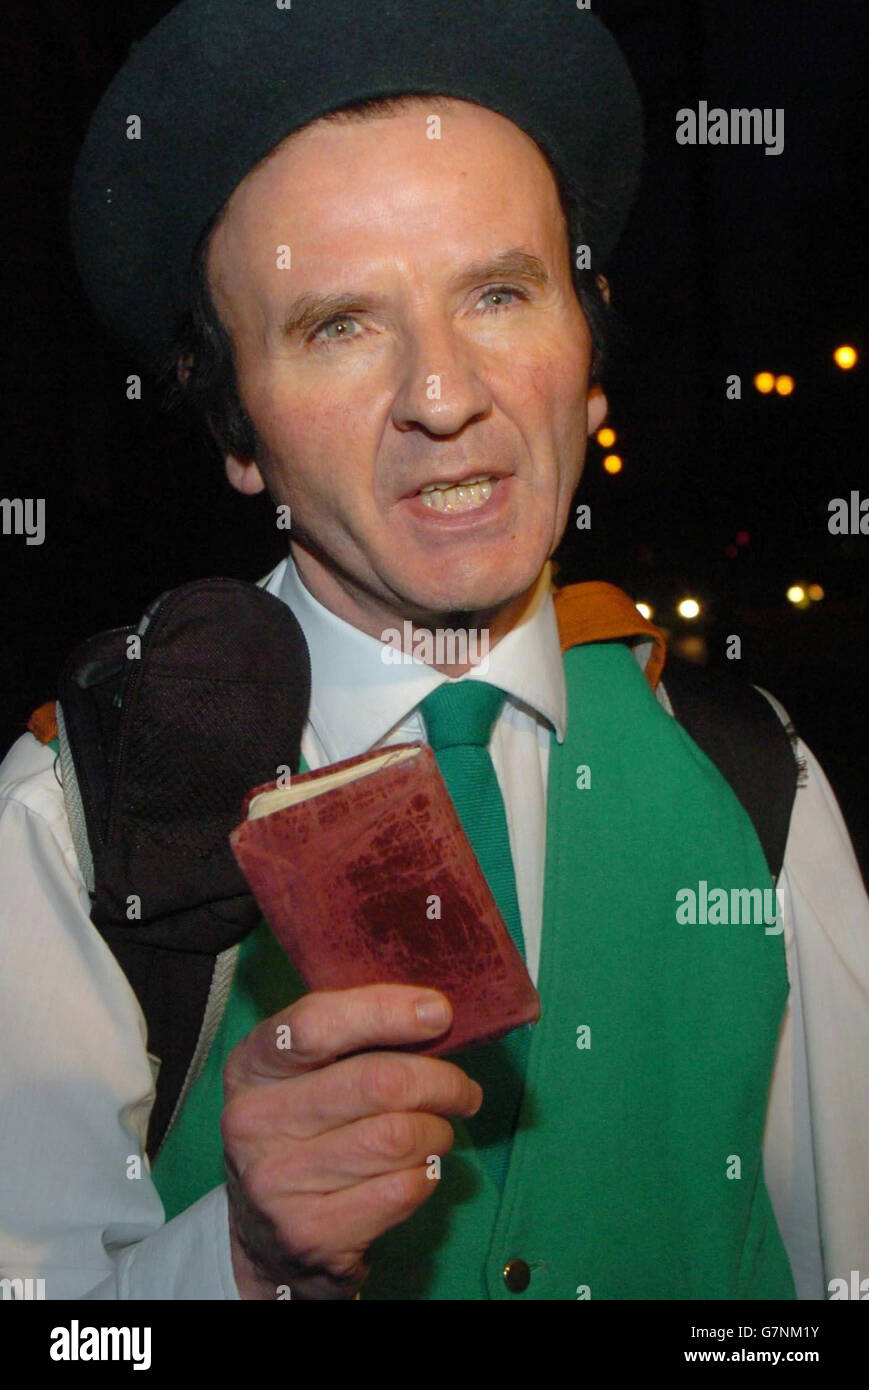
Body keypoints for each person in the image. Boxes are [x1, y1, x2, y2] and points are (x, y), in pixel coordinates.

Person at [1, 0, 867, 1302]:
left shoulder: (749, 779)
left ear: (586, 364)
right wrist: (236, 1263)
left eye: (500, 293)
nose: (441, 393)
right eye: (337, 324)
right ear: (238, 434)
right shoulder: (72, 822)